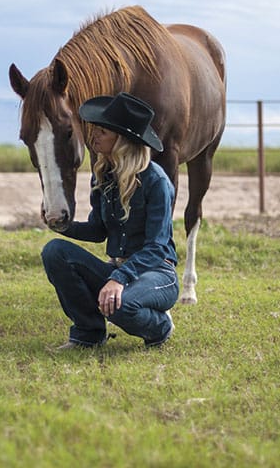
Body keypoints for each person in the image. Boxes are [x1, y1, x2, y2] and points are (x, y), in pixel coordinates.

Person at [41, 92, 179, 349]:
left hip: (157, 273)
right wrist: (63, 226)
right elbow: (98, 230)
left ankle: (160, 326)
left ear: (122, 140)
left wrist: (119, 279)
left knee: (120, 305)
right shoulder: (102, 175)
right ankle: (88, 334)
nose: (93, 135)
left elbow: (157, 247)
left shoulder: (156, 181)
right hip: (118, 269)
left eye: (102, 131)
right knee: (55, 251)